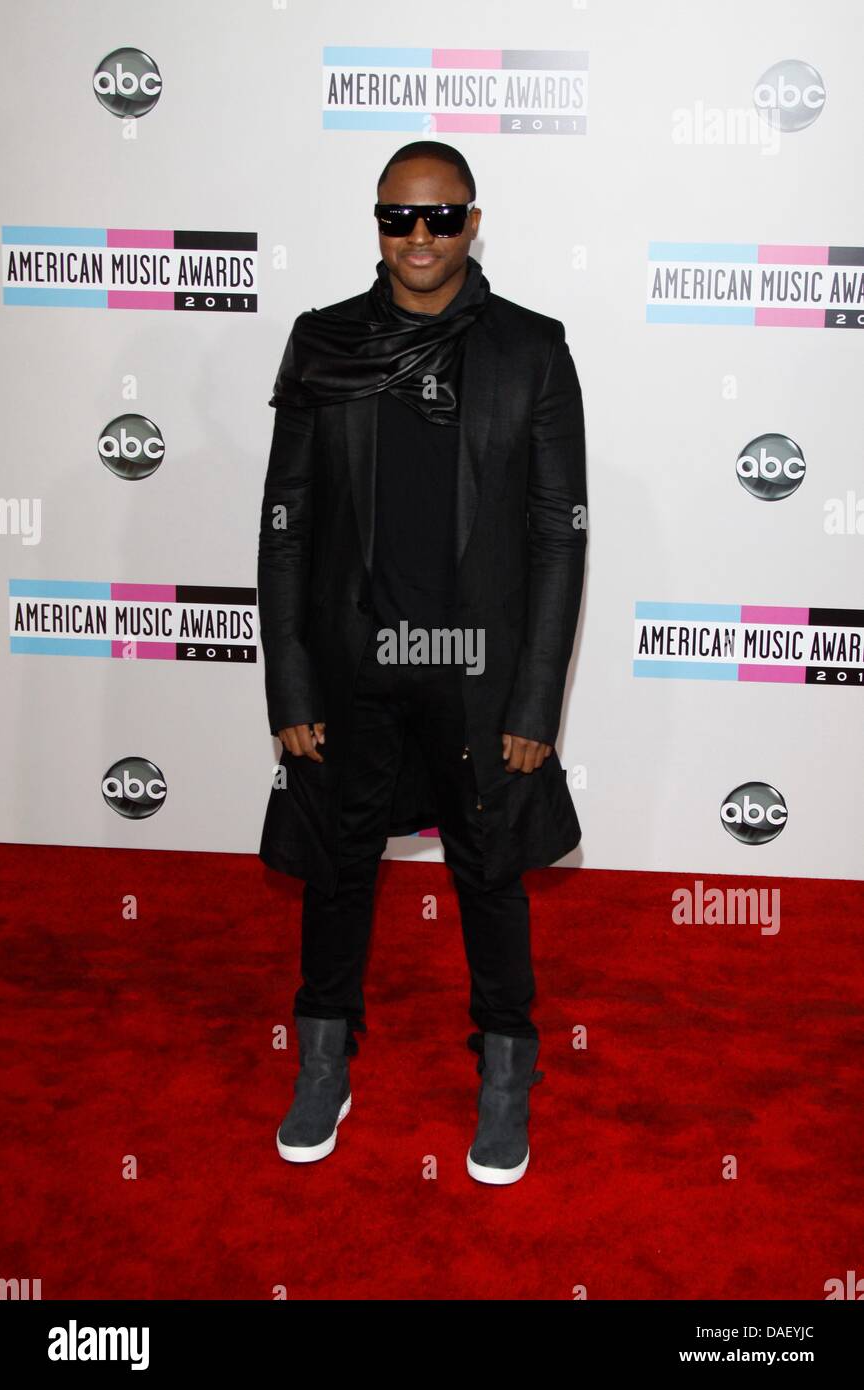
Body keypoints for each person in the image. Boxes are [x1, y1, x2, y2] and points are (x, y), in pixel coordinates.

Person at [257, 140, 587, 1185]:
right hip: (356, 663)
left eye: (439, 217)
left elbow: (555, 535)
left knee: (488, 875)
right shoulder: (323, 343)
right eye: (397, 217)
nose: (418, 238)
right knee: (337, 868)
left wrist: (536, 697)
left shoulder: (530, 350)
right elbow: (285, 526)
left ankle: (502, 1073)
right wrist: (292, 681)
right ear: (376, 224)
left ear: (471, 221)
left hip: (479, 669)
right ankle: (321, 1063)